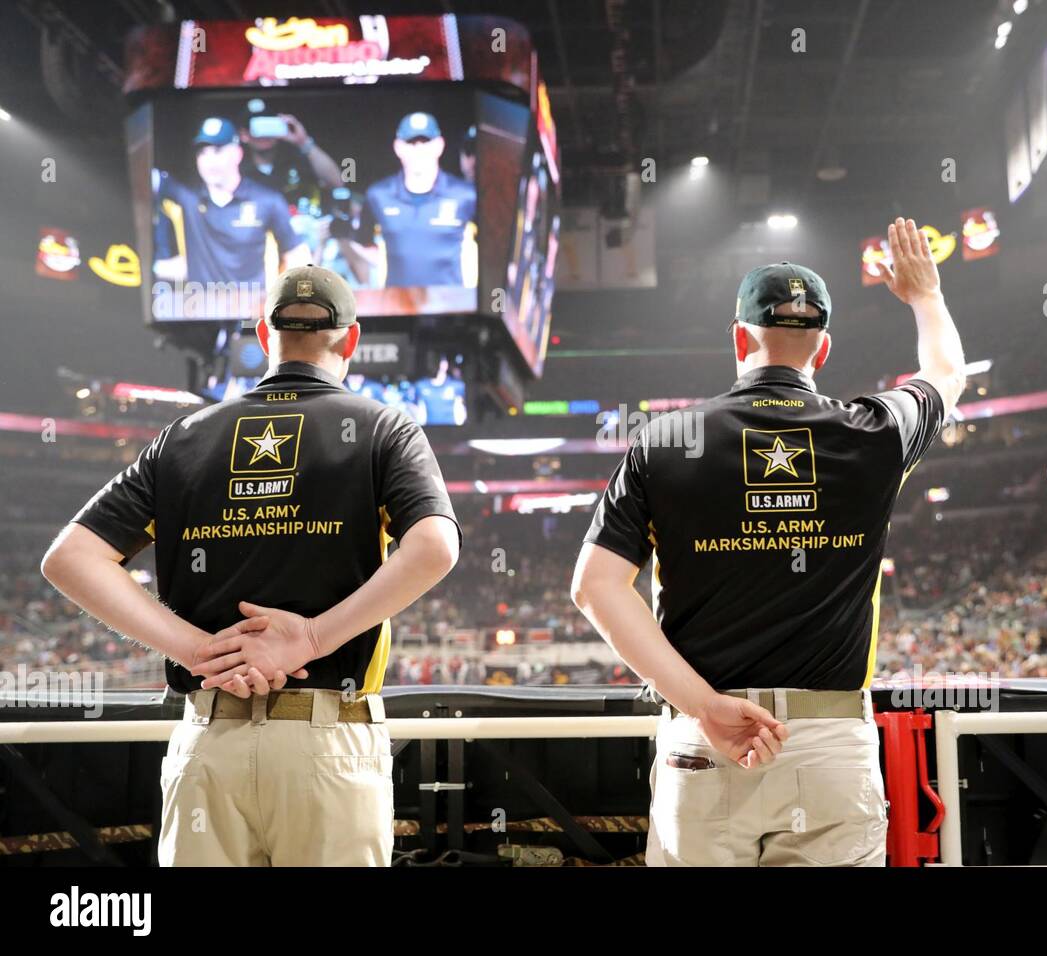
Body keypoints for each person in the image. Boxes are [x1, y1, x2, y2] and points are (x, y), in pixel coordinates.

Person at [571, 218, 967, 866]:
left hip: (705, 740)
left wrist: (702, 706)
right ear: (824, 349)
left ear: (737, 337)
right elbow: (946, 373)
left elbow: (594, 587)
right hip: (831, 745)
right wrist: (925, 295)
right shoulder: (874, 432)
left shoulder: (668, 441)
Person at [41, 264, 461, 866]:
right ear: (351, 339)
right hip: (327, 744)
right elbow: (434, 547)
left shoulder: (183, 437)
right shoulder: (381, 427)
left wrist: (196, 650)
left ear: (264, 336)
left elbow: (71, 558)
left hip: (209, 741)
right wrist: (310, 638)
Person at [153, 118, 311, 293]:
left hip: (253, 314)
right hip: (202, 313)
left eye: (218, 151)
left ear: (237, 154)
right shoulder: (187, 196)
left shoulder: (267, 200)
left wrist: (296, 305)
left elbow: (297, 256)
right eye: (202, 153)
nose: (209, 161)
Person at [343, 112, 477, 288]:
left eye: (425, 142)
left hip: (451, 307)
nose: (418, 149)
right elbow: (362, 240)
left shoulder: (466, 195)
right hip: (397, 306)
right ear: (398, 147)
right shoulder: (379, 195)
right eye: (411, 142)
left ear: (439, 145)